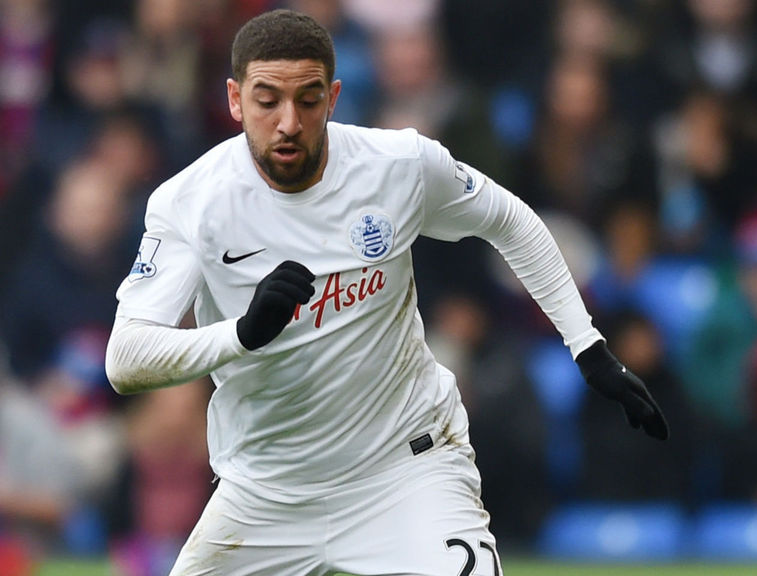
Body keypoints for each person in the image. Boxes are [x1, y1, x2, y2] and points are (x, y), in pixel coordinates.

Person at [105, 9, 668, 576]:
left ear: (334, 97)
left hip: (407, 472)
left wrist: (587, 347)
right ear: (234, 99)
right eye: (266, 99)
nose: (287, 121)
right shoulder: (190, 202)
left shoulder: (399, 165)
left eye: (307, 99)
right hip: (265, 494)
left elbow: (509, 220)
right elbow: (125, 360)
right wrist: (242, 335)